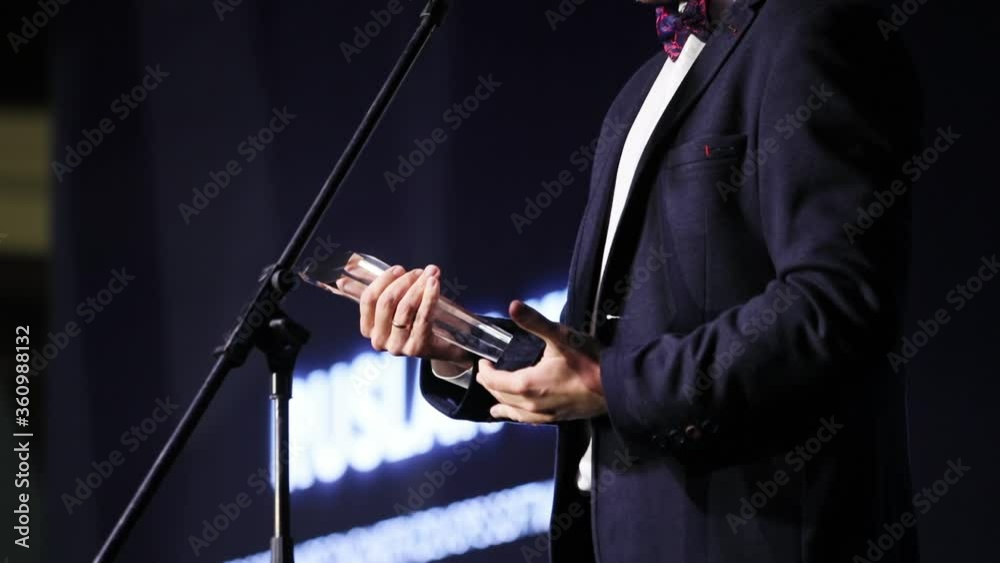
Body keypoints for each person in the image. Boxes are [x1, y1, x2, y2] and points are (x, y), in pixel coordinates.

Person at [355, 0, 921, 561]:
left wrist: (611, 382)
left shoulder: (811, 32)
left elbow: (835, 307)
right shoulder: (641, 91)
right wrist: (463, 343)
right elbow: (599, 349)